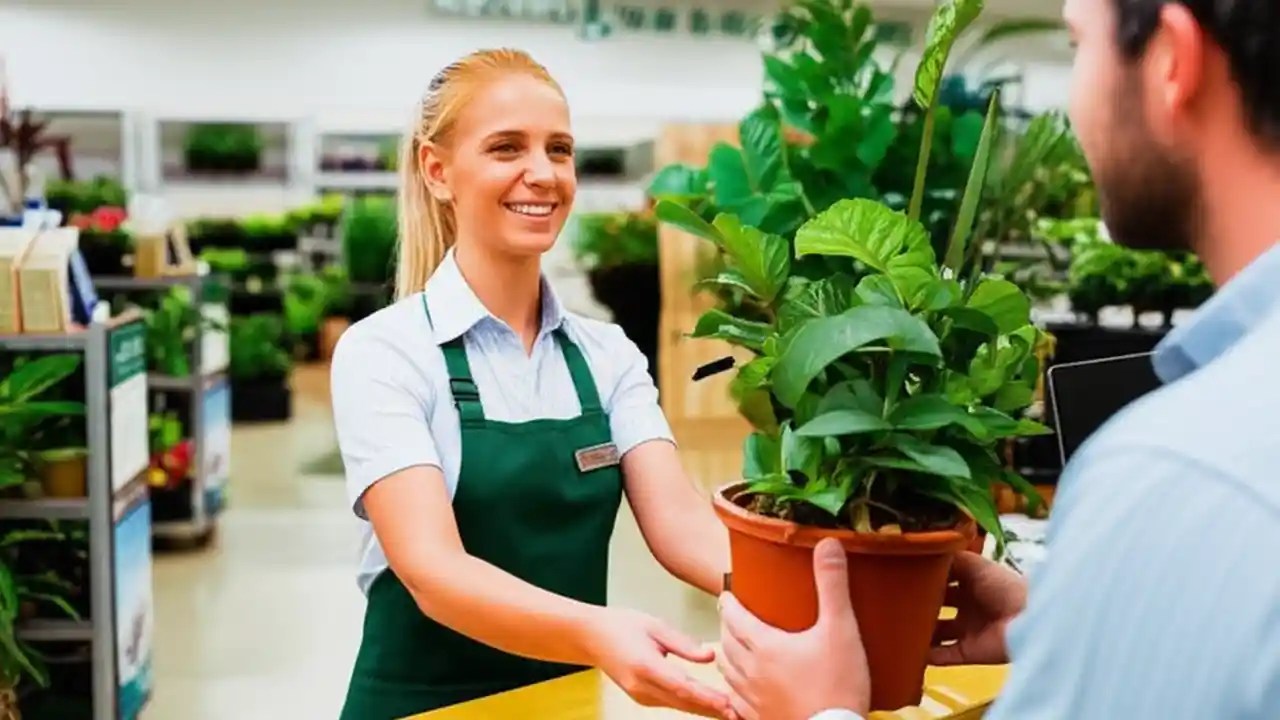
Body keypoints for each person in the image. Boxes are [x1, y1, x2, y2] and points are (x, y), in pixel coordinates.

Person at [718, 0, 1280, 717]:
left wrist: (818, 712)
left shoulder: (1174, 474)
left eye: (1078, 45)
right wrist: (1074, 610)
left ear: (1173, 60)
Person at [330, 48, 734, 720]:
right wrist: (600, 633)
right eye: (506, 148)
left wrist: (823, 597)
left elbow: (684, 526)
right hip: (419, 706)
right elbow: (434, 573)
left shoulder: (607, 356)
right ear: (437, 169)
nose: (542, 174)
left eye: (560, 149)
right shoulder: (387, 353)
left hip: (562, 704)